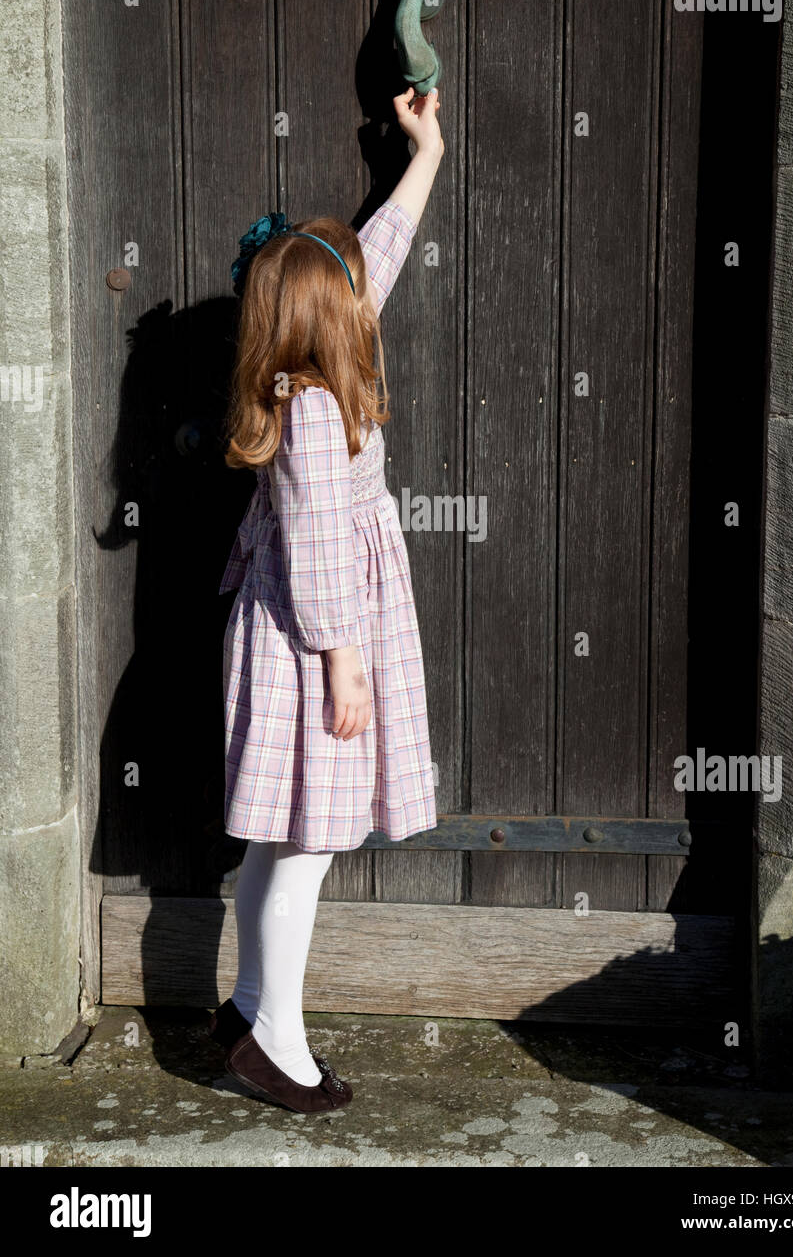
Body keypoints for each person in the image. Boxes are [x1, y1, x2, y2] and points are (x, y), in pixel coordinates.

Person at [208, 85, 443, 1114]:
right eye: (350, 294)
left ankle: (250, 1005)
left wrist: (422, 154)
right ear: (327, 320)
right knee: (305, 844)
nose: (367, 298)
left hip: (297, 633)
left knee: (279, 838)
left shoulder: (301, 364)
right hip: (314, 645)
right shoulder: (311, 411)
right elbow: (312, 551)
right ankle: (275, 1042)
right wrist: (347, 662)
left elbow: (376, 254)